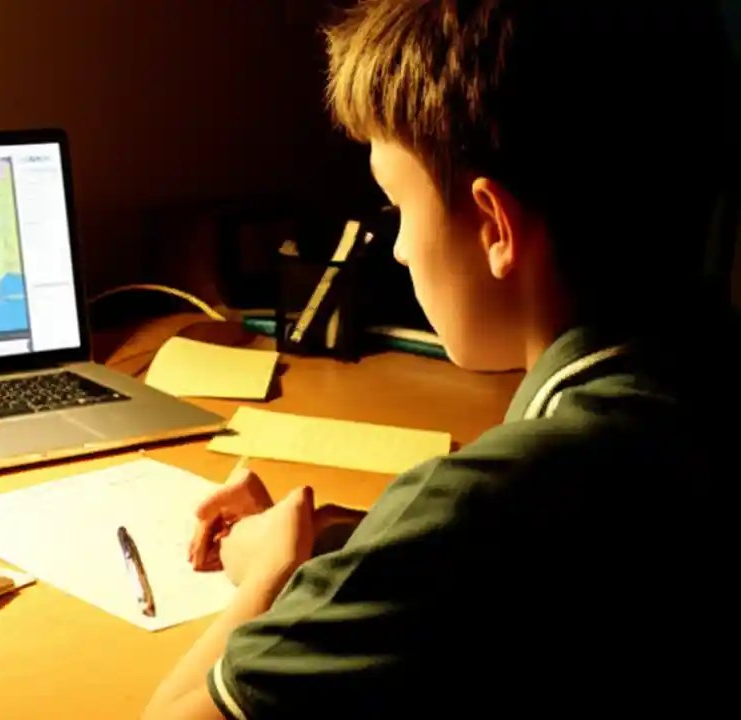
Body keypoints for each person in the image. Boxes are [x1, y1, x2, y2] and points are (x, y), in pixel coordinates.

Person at [143, 1, 739, 718]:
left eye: (397, 209)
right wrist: (355, 548)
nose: (395, 248)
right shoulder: (691, 394)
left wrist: (271, 576)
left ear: (494, 227)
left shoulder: (485, 505)